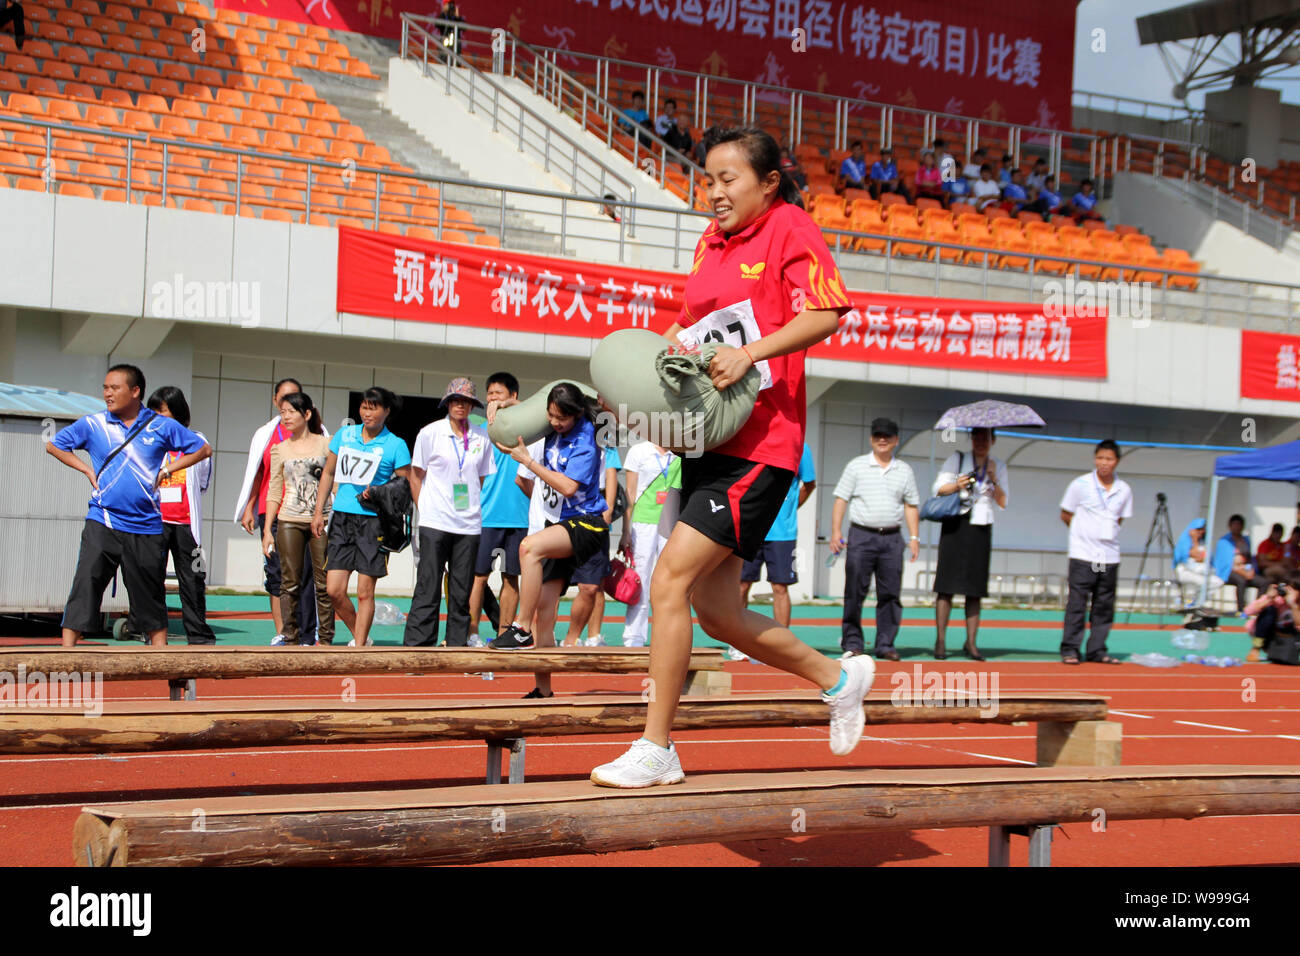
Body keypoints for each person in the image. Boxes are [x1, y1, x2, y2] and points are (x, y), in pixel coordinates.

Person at [588, 125, 872, 789]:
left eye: (727, 180)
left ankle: (657, 747)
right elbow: (689, 329)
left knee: (668, 583)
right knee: (717, 611)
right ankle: (839, 679)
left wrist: (753, 351)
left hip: (764, 447)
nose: (713, 193)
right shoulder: (711, 242)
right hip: (708, 442)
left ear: (768, 182)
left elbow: (829, 312)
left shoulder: (789, 226)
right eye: (708, 180)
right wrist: (646, 373)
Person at [46, 365, 211, 647]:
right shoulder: (94, 424)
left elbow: (202, 449)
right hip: (103, 521)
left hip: (146, 525)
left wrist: (168, 470)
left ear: (135, 392)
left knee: (149, 593)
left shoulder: (160, 425)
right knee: (86, 583)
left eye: (115, 388)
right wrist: (86, 470)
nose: (107, 394)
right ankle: (67, 652)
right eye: (105, 388)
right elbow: (54, 445)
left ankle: (159, 655)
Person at [489, 384, 609, 698]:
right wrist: (511, 404)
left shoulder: (585, 438)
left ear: (577, 414)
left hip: (587, 523)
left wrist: (528, 462)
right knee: (546, 611)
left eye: (561, 419)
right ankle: (543, 688)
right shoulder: (552, 422)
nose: (555, 423)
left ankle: (521, 627)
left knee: (529, 548)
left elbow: (569, 488)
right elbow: (523, 419)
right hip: (561, 523)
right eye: (551, 416)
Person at [311, 387, 411, 647]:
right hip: (342, 517)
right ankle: (362, 637)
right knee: (334, 590)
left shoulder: (396, 445)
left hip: (374, 522)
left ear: (387, 411)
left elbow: (404, 486)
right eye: (364, 407)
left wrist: (379, 492)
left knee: (365, 591)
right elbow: (329, 473)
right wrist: (319, 510)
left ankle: (359, 646)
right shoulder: (345, 435)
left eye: (374, 407)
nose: (367, 413)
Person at [403, 379, 494, 647]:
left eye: (465, 401)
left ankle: (456, 645)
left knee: (461, 590)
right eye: (455, 400)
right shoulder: (430, 433)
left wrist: (464, 506)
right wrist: (427, 508)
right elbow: (415, 476)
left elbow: (480, 479)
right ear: (447, 403)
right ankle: (419, 647)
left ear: (472, 406)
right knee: (428, 586)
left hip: (468, 525)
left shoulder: (482, 436)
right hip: (434, 522)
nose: (460, 405)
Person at [234, 378, 322, 645]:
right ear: (275, 401)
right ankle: (284, 631)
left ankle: (309, 632)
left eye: (294, 399)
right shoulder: (265, 434)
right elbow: (257, 474)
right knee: (277, 572)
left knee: (305, 573)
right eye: (283, 400)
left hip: (305, 513)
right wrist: (249, 507)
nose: (288, 406)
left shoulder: (319, 432)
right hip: (272, 511)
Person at [830, 418, 920, 662]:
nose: (882, 439)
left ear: (895, 440)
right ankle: (852, 642)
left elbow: (911, 505)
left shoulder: (904, 470)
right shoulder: (856, 466)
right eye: (878, 435)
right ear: (871, 439)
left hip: (892, 539)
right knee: (854, 592)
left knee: (890, 593)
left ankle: (885, 644)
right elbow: (841, 499)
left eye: (887, 436)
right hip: (861, 535)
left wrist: (914, 537)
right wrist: (836, 531)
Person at [262, 391, 334, 646]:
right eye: (282, 413)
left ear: (307, 414)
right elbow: (274, 489)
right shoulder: (279, 449)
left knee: (323, 583)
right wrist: (267, 530)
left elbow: (334, 481)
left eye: (291, 412)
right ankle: (290, 637)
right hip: (288, 519)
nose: (285, 417)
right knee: (289, 581)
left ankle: (325, 640)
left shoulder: (327, 444)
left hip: (321, 521)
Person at [930, 427, 1008, 661]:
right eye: (977, 436)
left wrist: (993, 480)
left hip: (981, 527)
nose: (981, 441)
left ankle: (971, 642)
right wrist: (958, 484)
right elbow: (938, 489)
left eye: (986, 437)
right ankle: (941, 640)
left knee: (975, 590)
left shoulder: (999, 465)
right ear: (972, 439)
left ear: (993, 440)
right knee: (946, 587)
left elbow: (1004, 502)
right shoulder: (958, 459)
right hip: (956, 524)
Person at [147, 386, 216, 645]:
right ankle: (152, 634)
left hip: (187, 524)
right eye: (152, 412)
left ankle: (198, 635)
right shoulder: (149, 440)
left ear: (176, 411)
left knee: (193, 580)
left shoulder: (196, 439)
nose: (157, 417)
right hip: (155, 522)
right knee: (152, 578)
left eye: (162, 411)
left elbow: (202, 482)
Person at [1059, 439, 1132, 665]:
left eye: (1109, 459)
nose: (1104, 463)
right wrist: (1083, 533)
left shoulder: (1124, 489)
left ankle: (1097, 650)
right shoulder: (1080, 484)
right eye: (1100, 458)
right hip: (1083, 554)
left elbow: (1120, 519)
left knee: (1103, 605)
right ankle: (1070, 649)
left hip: (1108, 556)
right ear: (1094, 459)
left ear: (1117, 461)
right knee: (1077, 603)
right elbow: (1066, 514)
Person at [471, 372, 529, 643]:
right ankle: (471, 633)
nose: (493, 398)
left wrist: (511, 408)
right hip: (485, 517)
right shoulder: (480, 430)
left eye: (499, 394)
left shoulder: (527, 428)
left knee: (511, 578)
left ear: (513, 396)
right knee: (478, 578)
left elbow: (535, 409)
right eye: (490, 393)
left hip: (519, 518)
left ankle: (504, 634)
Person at [738, 442, 815, 640]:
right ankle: (737, 640)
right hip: (750, 529)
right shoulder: (754, 439)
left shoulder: (800, 447)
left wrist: (788, 510)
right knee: (741, 584)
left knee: (780, 587)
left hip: (783, 533)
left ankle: (783, 642)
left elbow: (809, 484)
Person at [619, 439, 681, 647]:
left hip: (671, 521)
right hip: (643, 521)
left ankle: (666, 637)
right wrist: (625, 530)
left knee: (668, 580)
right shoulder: (639, 451)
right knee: (641, 578)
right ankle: (634, 637)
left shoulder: (683, 452)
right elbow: (630, 494)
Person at [561, 442, 621, 646]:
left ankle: (594, 636)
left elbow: (611, 475)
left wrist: (609, 509)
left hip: (596, 518)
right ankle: (547, 635)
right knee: (553, 583)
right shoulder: (564, 439)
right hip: (565, 517)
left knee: (595, 584)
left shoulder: (607, 443)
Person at [1214, 514, 1269, 612]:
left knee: (1264, 582)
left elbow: (1248, 559)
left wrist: (1249, 570)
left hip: (1244, 570)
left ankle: (1256, 609)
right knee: (1241, 581)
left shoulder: (1245, 540)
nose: (1237, 527)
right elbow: (1225, 563)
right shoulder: (1224, 541)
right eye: (1234, 524)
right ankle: (1241, 610)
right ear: (1230, 526)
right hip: (1228, 572)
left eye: (1239, 524)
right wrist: (1241, 572)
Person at [1173, 518, 1225, 602]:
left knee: (1218, 582)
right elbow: (1194, 555)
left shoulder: (1203, 543)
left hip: (1201, 572)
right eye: (1198, 530)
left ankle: (1195, 600)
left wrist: (1198, 555)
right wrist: (1194, 540)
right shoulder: (1185, 542)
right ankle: (1193, 601)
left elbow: (1204, 557)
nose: (1201, 532)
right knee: (1204, 583)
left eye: (1202, 530)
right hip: (1186, 571)